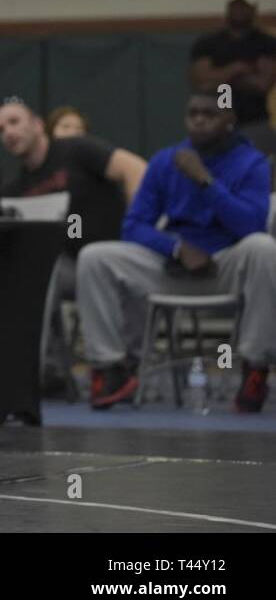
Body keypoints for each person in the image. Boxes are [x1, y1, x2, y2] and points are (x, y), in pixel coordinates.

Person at [76, 91, 276, 412]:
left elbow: (251, 225)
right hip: (173, 266)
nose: (198, 120)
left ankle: (255, 367)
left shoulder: (251, 163)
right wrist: (175, 248)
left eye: (208, 114)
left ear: (229, 120)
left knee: (264, 248)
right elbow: (134, 225)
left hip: (225, 264)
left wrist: (206, 182)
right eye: (192, 114)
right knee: (95, 257)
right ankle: (111, 369)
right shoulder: (166, 160)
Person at [0, 99, 146, 393]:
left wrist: (137, 230)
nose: (8, 132)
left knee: (100, 261)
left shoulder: (76, 150)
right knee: (33, 270)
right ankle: (39, 372)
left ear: (38, 124)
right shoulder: (15, 188)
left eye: (14, 122)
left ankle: (124, 367)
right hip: (70, 269)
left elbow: (137, 170)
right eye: (0, 129)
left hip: (116, 256)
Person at [189, 0, 276, 154]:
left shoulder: (267, 44)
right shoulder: (207, 43)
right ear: (227, 7)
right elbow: (202, 84)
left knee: (257, 173)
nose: (239, 11)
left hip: (255, 123)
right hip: (213, 125)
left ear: (254, 9)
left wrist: (219, 76)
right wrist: (237, 69)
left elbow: (262, 84)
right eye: (235, 5)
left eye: (244, 6)